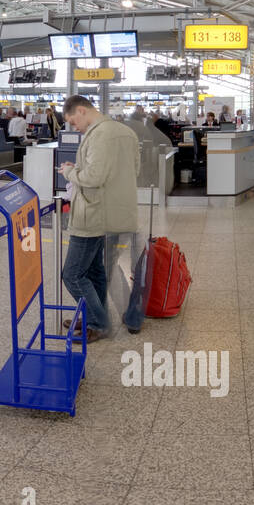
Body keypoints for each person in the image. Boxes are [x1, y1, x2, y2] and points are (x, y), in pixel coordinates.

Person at [58, 95, 145, 338]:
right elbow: (133, 170)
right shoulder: (126, 132)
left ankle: (98, 322)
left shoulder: (99, 135)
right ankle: (94, 319)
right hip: (116, 211)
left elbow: (94, 177)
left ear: (82, 110)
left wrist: (69, 172)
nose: (74, 127)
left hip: (94, 213)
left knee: (72, 274)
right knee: (96, 270)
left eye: (73, 121)